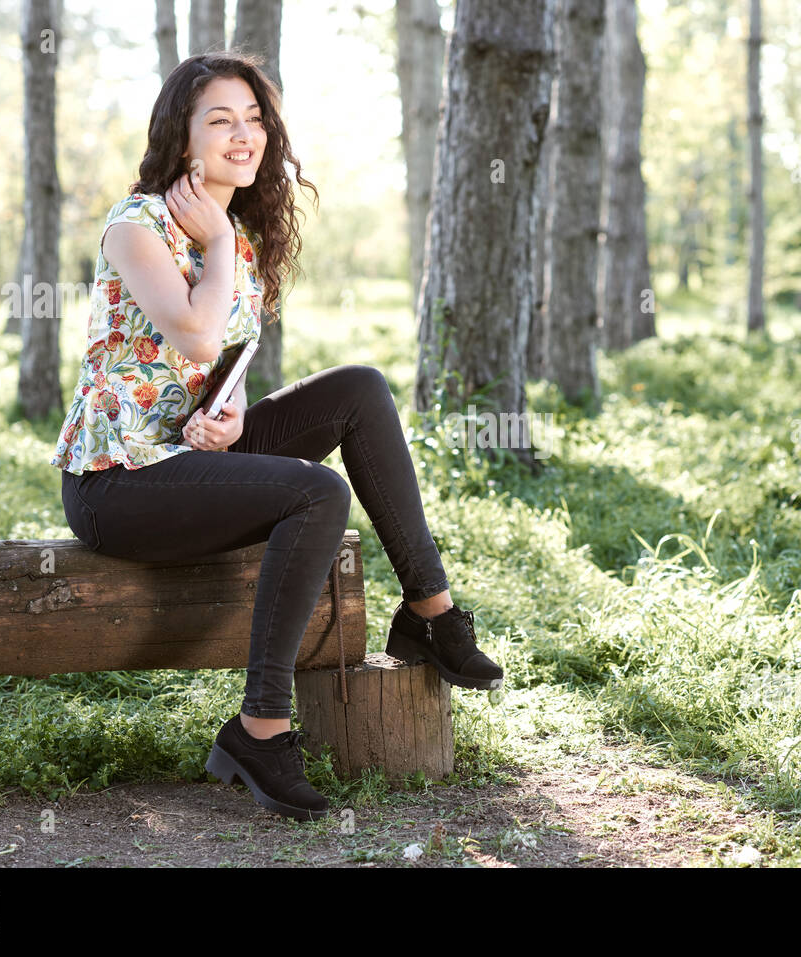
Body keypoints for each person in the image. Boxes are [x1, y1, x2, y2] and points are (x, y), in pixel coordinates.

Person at [48, 50, 502, 822]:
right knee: (317, 491)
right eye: (220, 119)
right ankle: (261, 726)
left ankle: (431, 614)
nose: (243, 134)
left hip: (186, 453)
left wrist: (227, 415)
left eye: (254, 119)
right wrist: (218, 243)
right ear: (181, 138)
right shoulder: (137, 226)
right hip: (117, 483)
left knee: (359, 387)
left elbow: (215, 369)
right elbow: (193, 335)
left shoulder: (243, 240)